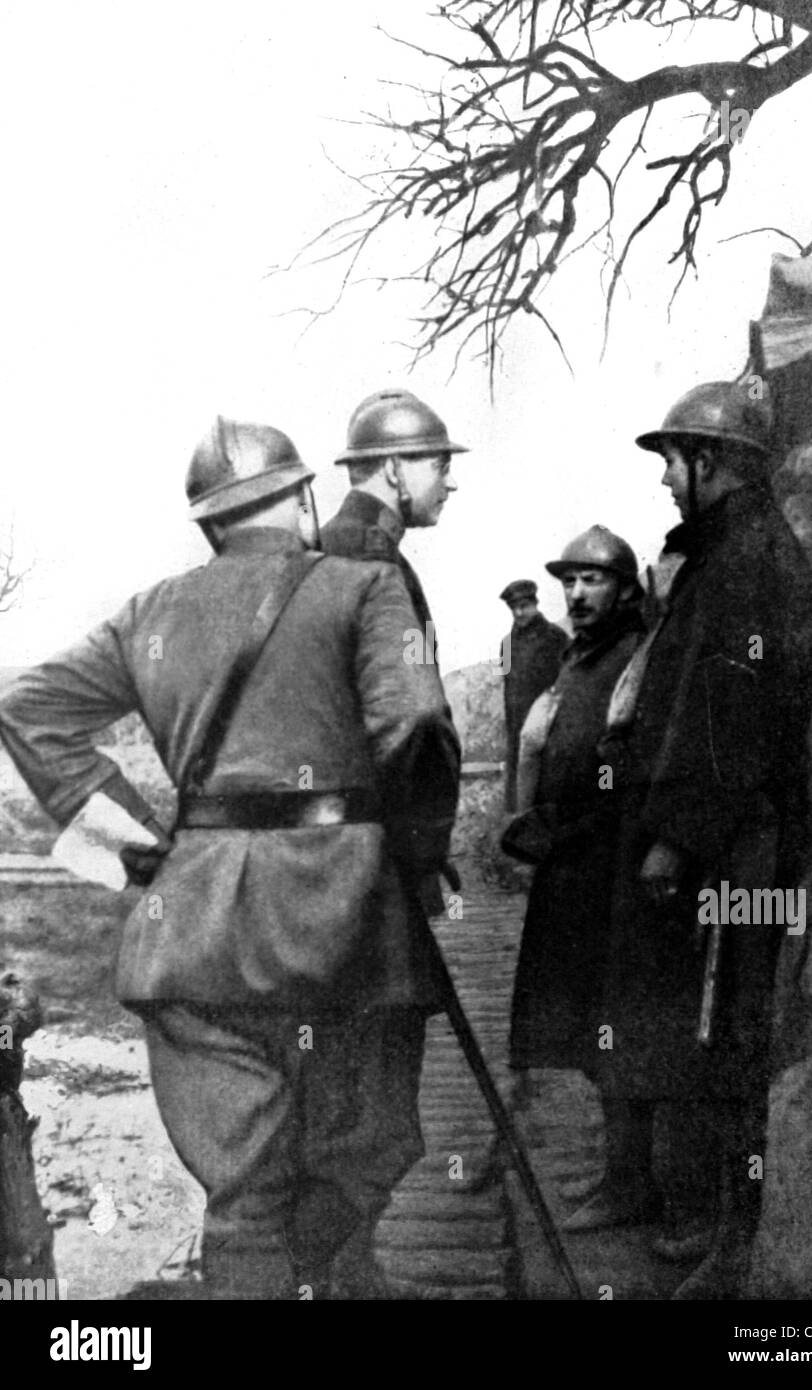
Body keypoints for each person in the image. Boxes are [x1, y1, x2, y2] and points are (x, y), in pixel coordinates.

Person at [0, 416, 460, 1300]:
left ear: (211, 522)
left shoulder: (149, 613)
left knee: (243, 1195)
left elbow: (28, 713)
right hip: (347, 928)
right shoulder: (365, 588)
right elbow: (414, 724)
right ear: (303, 496)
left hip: (191, 937)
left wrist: (148, 849)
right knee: (361, 1151)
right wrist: (409, 852)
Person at [591, 381, 812, 1297]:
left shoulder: (746, 561)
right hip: (730, 837)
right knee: (716, 1033)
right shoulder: (726, 556)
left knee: (734, 1038)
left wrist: (678, 839)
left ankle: (738, 1245)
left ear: (714, 462)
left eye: (673, 462)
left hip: (743, 847)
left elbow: (731, 716)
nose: (665, 482)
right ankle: (723, 1228)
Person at [318, 388, 466, 1295]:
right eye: (438, 464)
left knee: (331, 1086)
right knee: (375, 1102)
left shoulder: (319, 552)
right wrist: (417, 847)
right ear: (390, 470)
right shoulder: (374, 563)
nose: (449, 482)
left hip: (316, 874)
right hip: (371, 877)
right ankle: (343, 1272)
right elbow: (415, 723)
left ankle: (338, 1266)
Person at [505, 525, 645, 1198]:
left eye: (592, 581)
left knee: (616, 1022)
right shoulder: (577, 657)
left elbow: (630, 764)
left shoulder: (637, 653)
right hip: (571, 865)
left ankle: (630, 1182)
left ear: (624, 588)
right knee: (586, 1026)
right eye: (570, 582)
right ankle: (619, 1176)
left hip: (615, 867)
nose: (577, 594)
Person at [498, 580, 567, 812]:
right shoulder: (506, 645)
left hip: (547, 729)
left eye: (524, 606)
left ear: (535, 604)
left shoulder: (556, 638)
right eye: (514, 608)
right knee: (519, 802)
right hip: (517, 731)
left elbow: (564, 685)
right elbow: (508, 687)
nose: (519, 613)